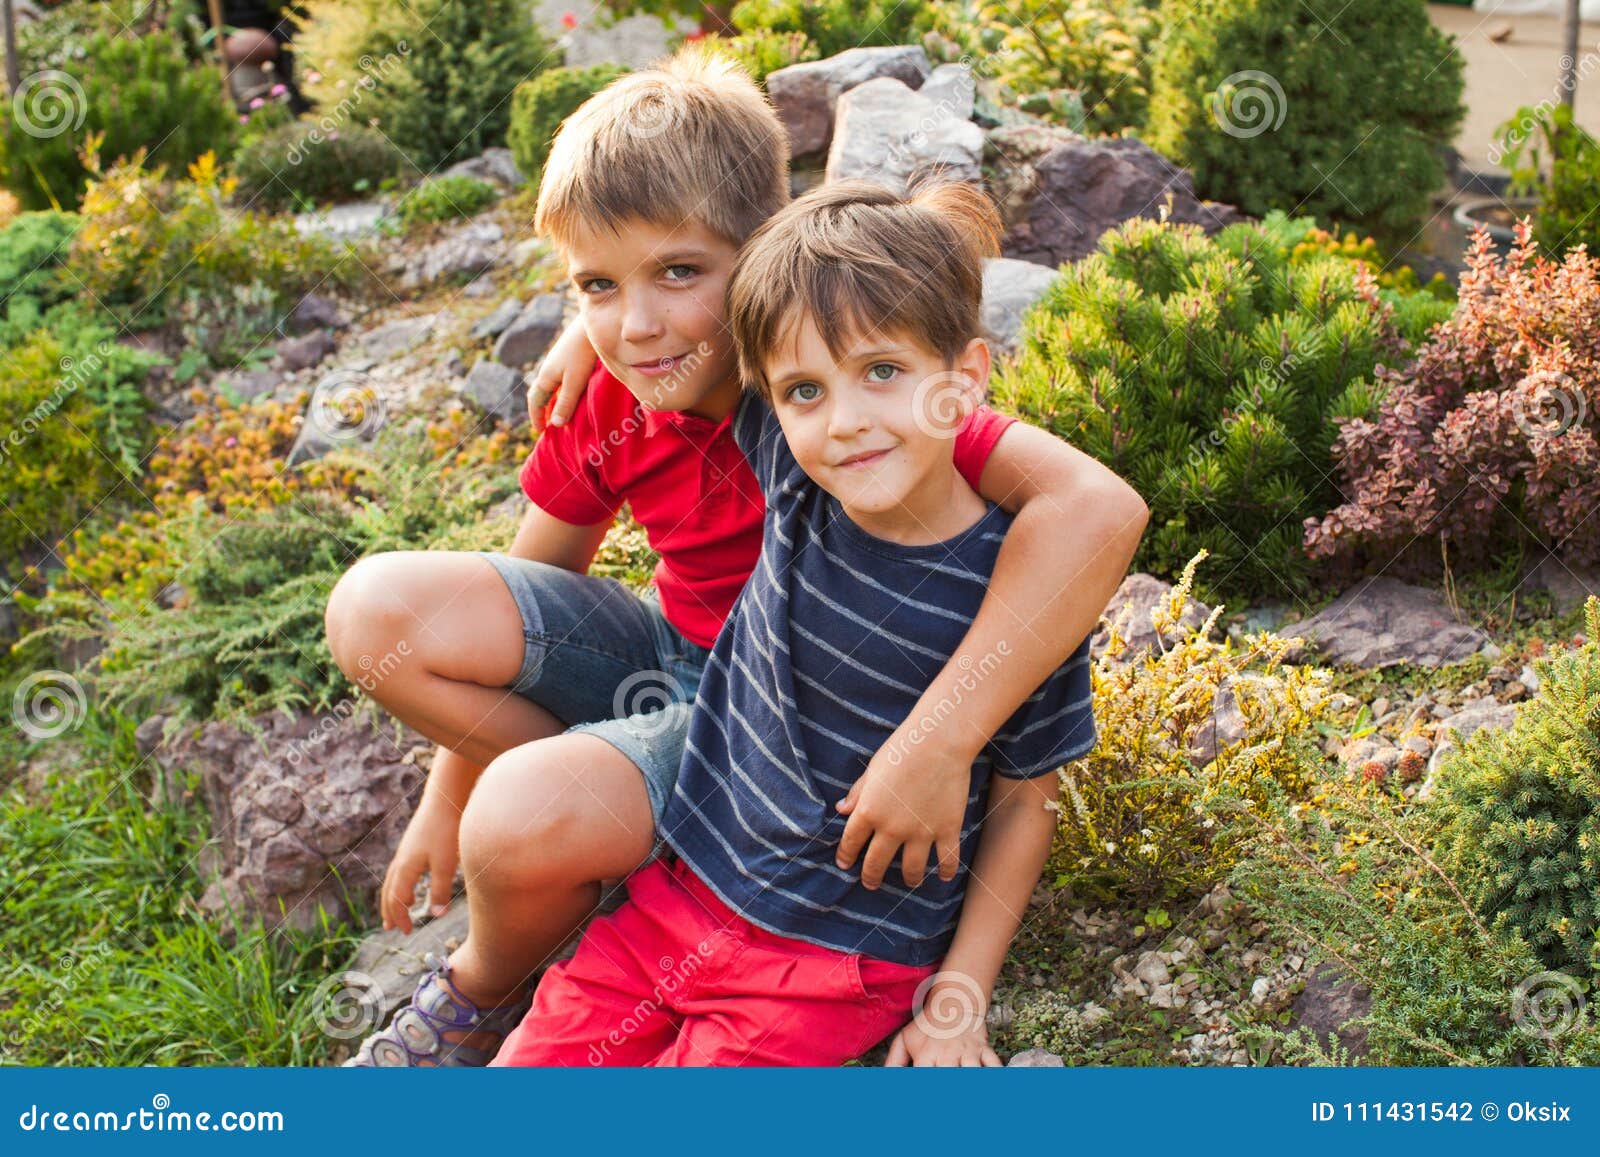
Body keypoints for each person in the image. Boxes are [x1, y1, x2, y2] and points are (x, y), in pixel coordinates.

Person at [327, 45, 1149, 1067]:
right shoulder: (627, 383)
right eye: (597, 284)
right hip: (680, 678)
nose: (638, 323)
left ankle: (616, 833)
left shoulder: (824, 404)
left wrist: (937, 745)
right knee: (380, 613)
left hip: (800, 751)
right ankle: (583, 863)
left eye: (678, 272)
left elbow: (1096, 508)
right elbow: (544, 575)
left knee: (543, 829)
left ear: (760, 254)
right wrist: (449, 798)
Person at [491, 176, 1108, 1067]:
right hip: (674, 906)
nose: (847, 422)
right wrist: (590, 332)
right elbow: (707, 315)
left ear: (967, 377)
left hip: (834, 965)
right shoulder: (791, 477)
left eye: (883, 372)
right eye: (805, 391)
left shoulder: (1019, 597)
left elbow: (1025, 800)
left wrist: (960, 998)